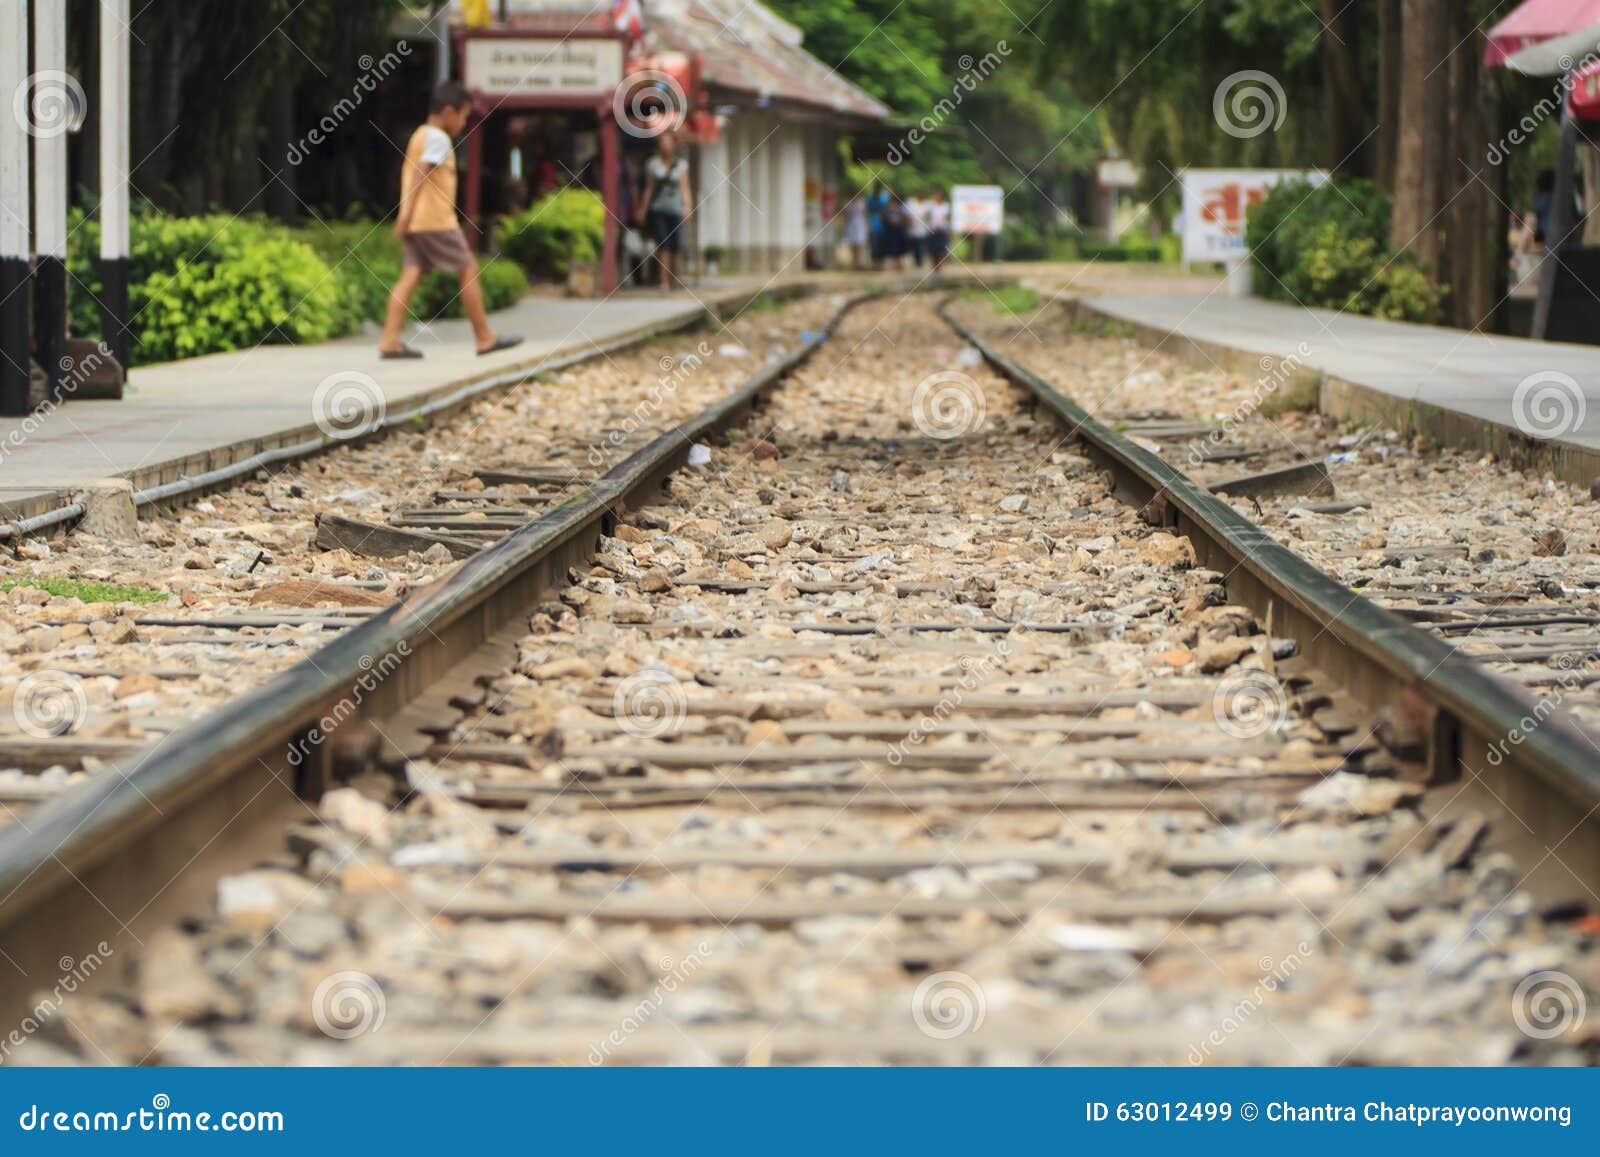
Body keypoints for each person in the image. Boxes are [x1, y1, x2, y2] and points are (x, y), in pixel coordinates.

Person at [379, 82, 521, 360]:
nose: (463, 123)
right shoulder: (438, 138)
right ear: (447, 112)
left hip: (417, 221)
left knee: (411, 275)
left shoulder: (420, 134)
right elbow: (421, 173)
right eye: (463, 116)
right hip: (436, 220)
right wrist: (405, 213)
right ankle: (484, 337)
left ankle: (389, 339)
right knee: (468, 269)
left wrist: (406, 214)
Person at [637, 130, 693, 289]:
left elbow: (684, 188)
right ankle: (663, 280)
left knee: (675, 245)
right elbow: (649, 188)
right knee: (663, 243)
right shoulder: (652, 164)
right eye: (663, 142)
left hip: (675, 209)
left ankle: (674, 277)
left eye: (668, 142)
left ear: (674, 145)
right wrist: (642, 209)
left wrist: (687, 207)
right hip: (658, 209)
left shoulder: (681, 165)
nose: (665, 145)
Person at [842, 192, 869, 269]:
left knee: (859, 244)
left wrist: (866, 226)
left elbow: (864, 214)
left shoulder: (861, 202)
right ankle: (854, 263)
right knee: (852, 244)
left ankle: (859, 262)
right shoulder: (847, 203)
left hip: (859, 225)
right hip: (850, 225)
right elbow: (845, 215)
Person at [905, 189, 931, 267]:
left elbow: (928, 216)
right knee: (914, 248)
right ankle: (916, 262)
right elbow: (907, 215)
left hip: (922, 230)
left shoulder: (927, 204)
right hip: (912, 230)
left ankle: (920, 263)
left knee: (921, 247)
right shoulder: (911, 202)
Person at [927, 188, 952, 270]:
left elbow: (945, 217)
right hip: (932, 230)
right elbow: (927, 216)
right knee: (933, 249)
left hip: (942, 230)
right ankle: (934, 265)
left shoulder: (945, 205)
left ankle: (939, 265)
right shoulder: (931, 205)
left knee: (941, 249)